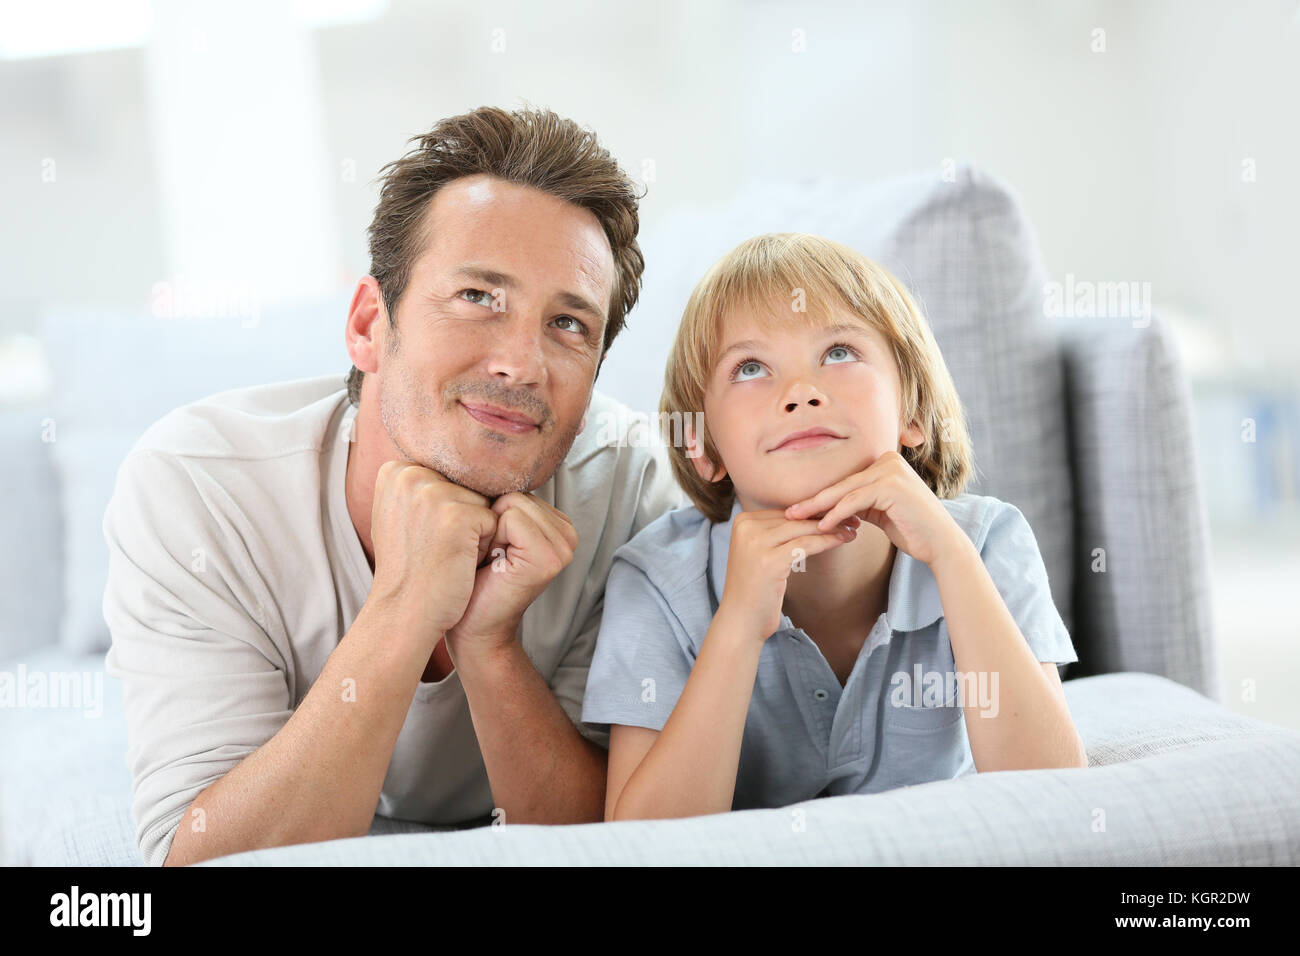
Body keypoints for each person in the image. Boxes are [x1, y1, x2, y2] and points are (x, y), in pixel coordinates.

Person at [102, 105, 685, 866]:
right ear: (369, 324)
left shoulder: (632, 491)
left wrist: (490, 642)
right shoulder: (198, 486)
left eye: (569, 324)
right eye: (479, 297)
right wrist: (406, 605)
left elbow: (613, 841)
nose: (521, 364)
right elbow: (203, 860)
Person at [581, 232, 1088, 821]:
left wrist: (952, 561)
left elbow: (1057, 800)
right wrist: (739, 624)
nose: (801, 393)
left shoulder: (986, 542)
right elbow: (643, 843)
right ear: (703, 447)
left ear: (914, 412)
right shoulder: (656, 581)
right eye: (750, 368)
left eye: (839, 353)